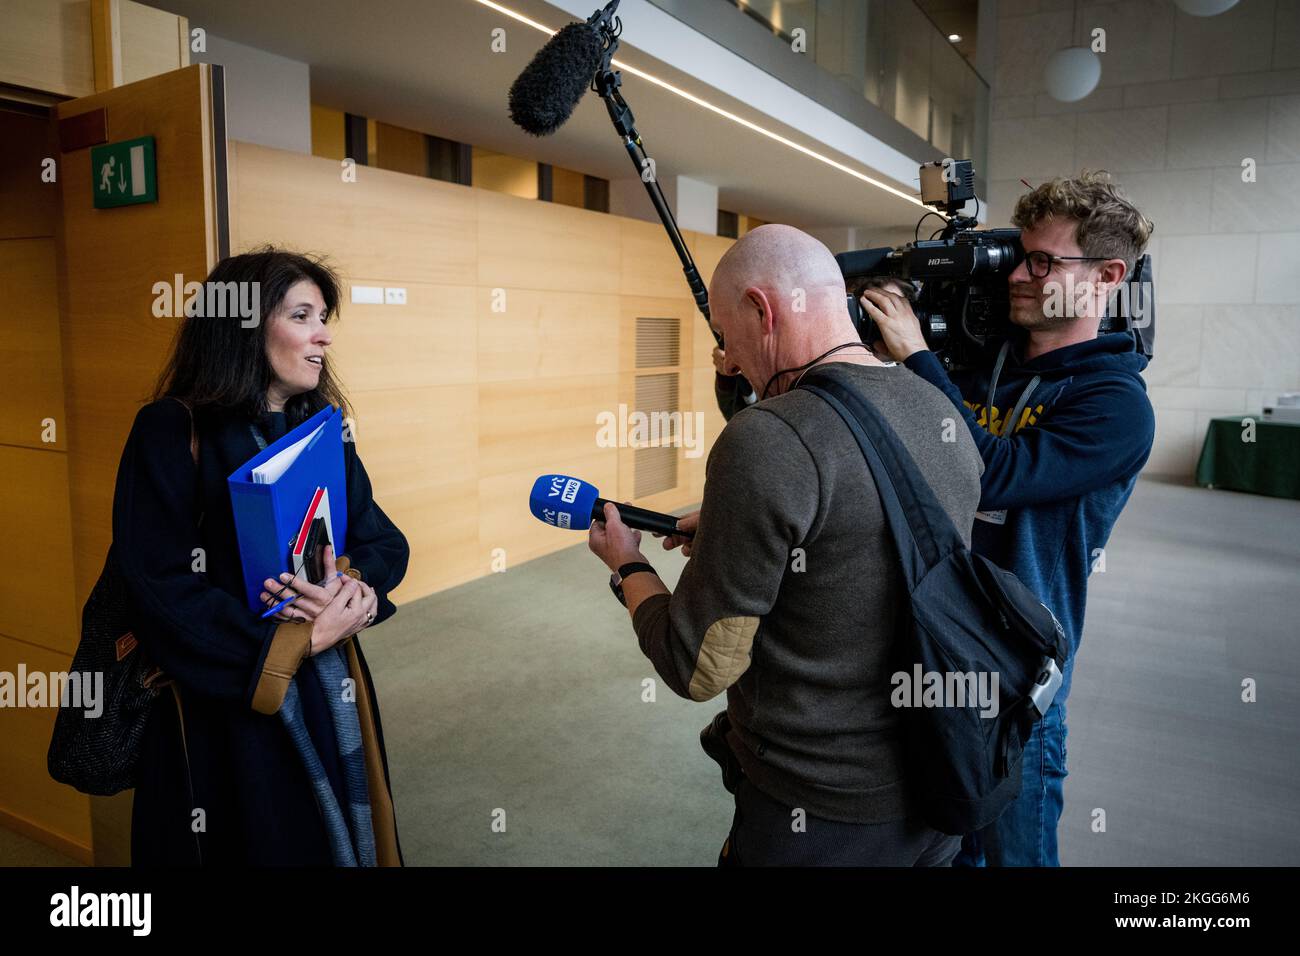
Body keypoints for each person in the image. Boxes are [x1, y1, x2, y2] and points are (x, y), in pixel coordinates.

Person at [587, 225, 983, 866]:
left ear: (762, 311)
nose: (730, 361)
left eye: (725, 334)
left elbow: (699, 665)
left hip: (821, 812)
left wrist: (627, 563)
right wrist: (735, 534)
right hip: (942, 777)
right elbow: (860, 543)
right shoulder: (938, 408)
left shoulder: (765, 437)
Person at [863, 170, 1156, 866]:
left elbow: (992, 470)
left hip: (1015, 684)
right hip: (928, 652)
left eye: (1043, 262)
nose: (1019, 275)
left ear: (1107, 275)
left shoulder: (1115, 404)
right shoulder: (978, 368)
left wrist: (917, 357)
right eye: (1021, 256)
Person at [115, 248, 410, 865]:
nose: (324, 334)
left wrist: (351, 589)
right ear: (245, 326)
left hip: (332, 690)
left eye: (324, 315)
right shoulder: (171, 430)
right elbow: (160, 590)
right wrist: (291, 642)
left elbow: (385, 543)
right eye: (303, 315)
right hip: (224, 705)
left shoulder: (322, 427)